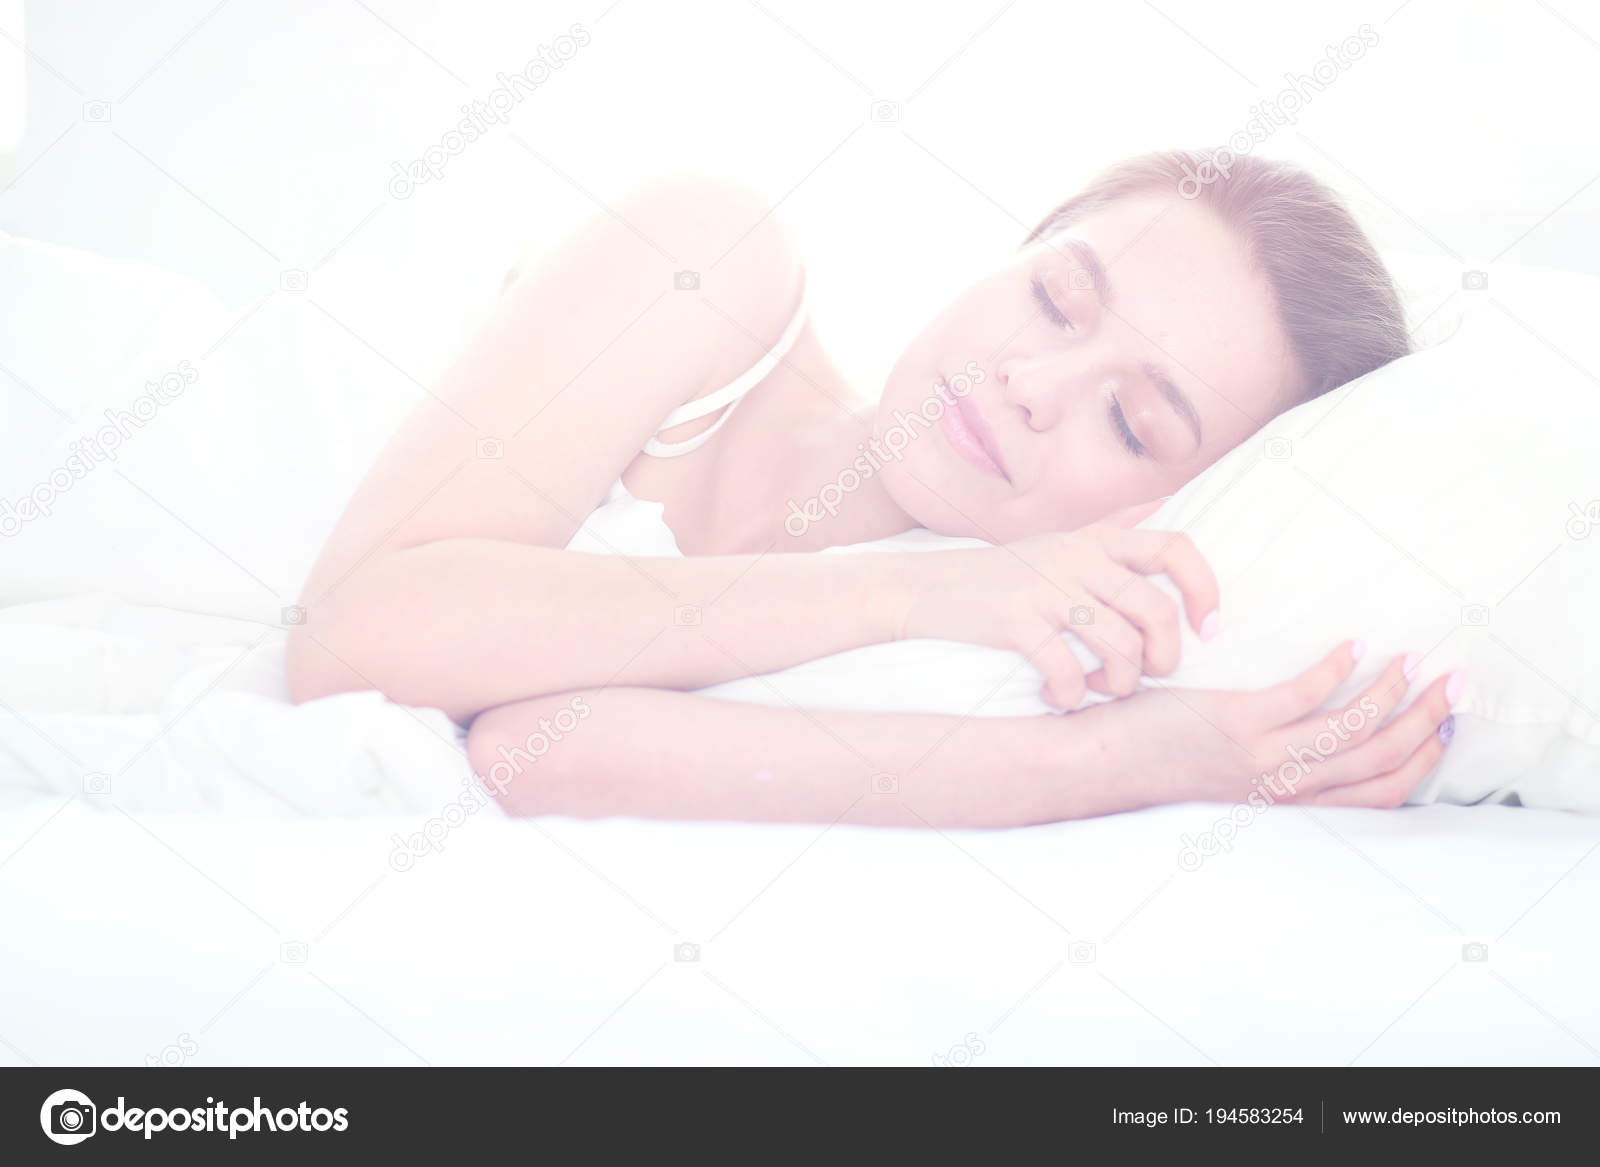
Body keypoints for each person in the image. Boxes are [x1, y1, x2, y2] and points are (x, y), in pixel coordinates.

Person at [286, 151, 1458, 826]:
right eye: (1055, 299)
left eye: (1130, 420)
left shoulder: (986, 651)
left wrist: (1145, 761)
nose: (1033, 383)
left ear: (1173, 509)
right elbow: (350, 641)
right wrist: (904, 594)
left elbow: (536, 754)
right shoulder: (712, 262)